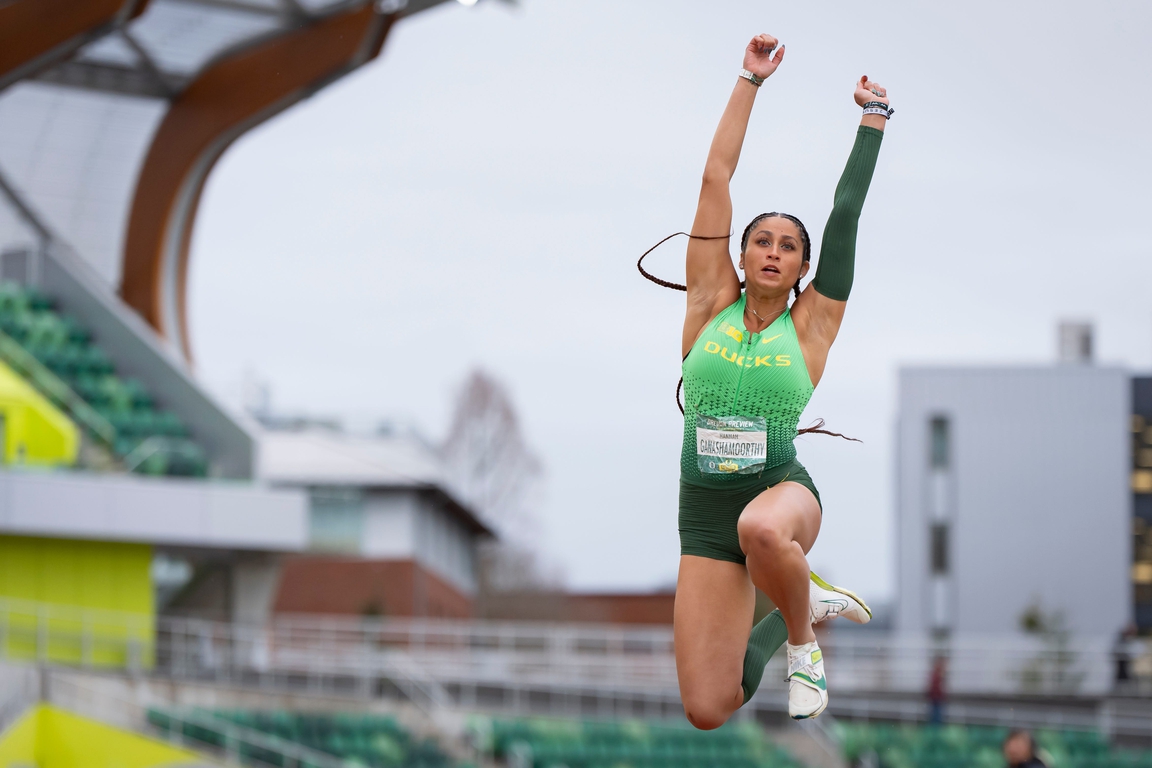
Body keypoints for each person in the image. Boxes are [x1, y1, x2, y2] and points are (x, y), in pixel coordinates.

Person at [668, 33, 890, 726]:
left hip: (780, 494)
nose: (773, 250)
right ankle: (804, 604)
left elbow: (846, 214)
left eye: (788, 246)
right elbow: (714, 178)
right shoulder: (709, 303)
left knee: (762, 529)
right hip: (704, 514)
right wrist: (749, 79)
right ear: (740, 253)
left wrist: (873, 120)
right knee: (710, 706)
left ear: (802, 269)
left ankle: (803, 644)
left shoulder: (812, 327)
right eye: (761, 240)